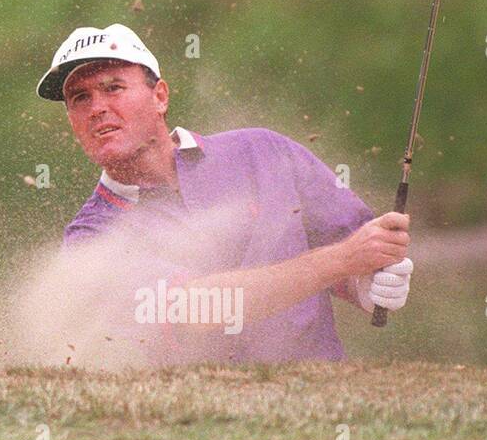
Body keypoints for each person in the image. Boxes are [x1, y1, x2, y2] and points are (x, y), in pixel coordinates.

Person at [36, 22, 413, 362]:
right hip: (205, 428)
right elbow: (201, 308)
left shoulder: (263, 151)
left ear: (160, 97)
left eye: (113, 88)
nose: (97, 108)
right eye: (79, 98)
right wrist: (343, 260)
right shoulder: (92, 240)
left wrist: (368, 283)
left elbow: (350, 246)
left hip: (321, 407)